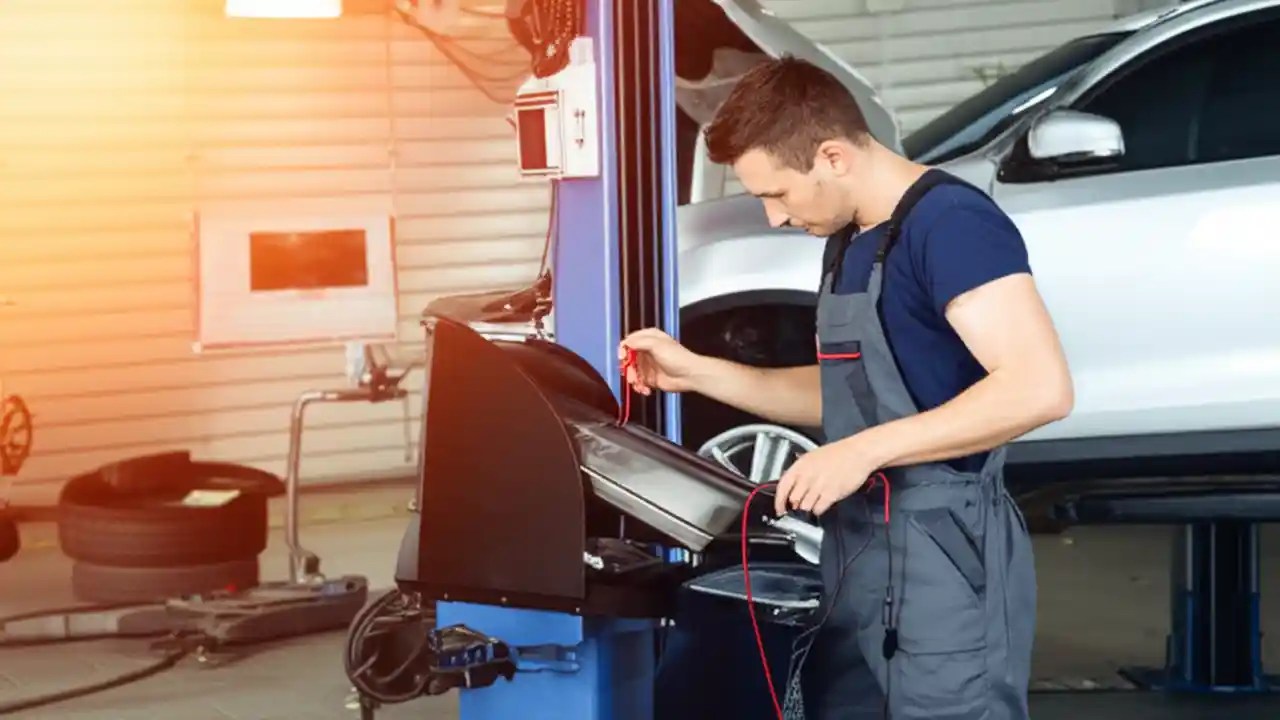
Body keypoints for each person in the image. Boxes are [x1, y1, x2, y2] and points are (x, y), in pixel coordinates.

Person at [625, 56, 1073, 720]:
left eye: (776, 194)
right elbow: (847, 392)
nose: (774, 218)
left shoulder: (950, 225)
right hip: (859, 549)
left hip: (941, 552)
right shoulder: (851, 238)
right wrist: (696, 372)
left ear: (832, 156)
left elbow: (1039, 388)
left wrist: (861, 451)